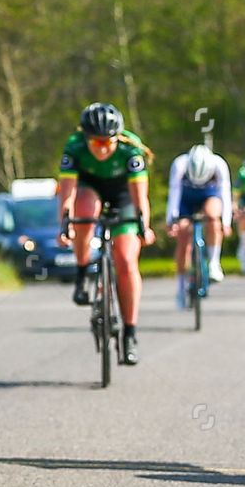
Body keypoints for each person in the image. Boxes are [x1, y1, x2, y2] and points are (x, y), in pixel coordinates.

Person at [57, 102, 155, 366]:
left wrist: (144, 226)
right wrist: (64, 224)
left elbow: (139, 197)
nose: (102, 148)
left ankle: (130, 334)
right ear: (86, 138)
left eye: (107, 143)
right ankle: (81, 273)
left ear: (117, 138)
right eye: (96, 143)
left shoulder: (130, 149)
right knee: (85, 211)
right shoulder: (75, 146)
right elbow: (67, 192)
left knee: (126, 260)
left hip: (122, 192)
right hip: (91, 188)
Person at [165, 143, 233, 308]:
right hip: (185, 199)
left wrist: (226, 222)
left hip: (209, 196)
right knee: (183, 237)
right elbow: (174, 192)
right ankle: (181, 285)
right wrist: (171, 221)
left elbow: (225, 193)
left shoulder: (219, 164)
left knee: (212, 217)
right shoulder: (180, 164)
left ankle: (214, 263)